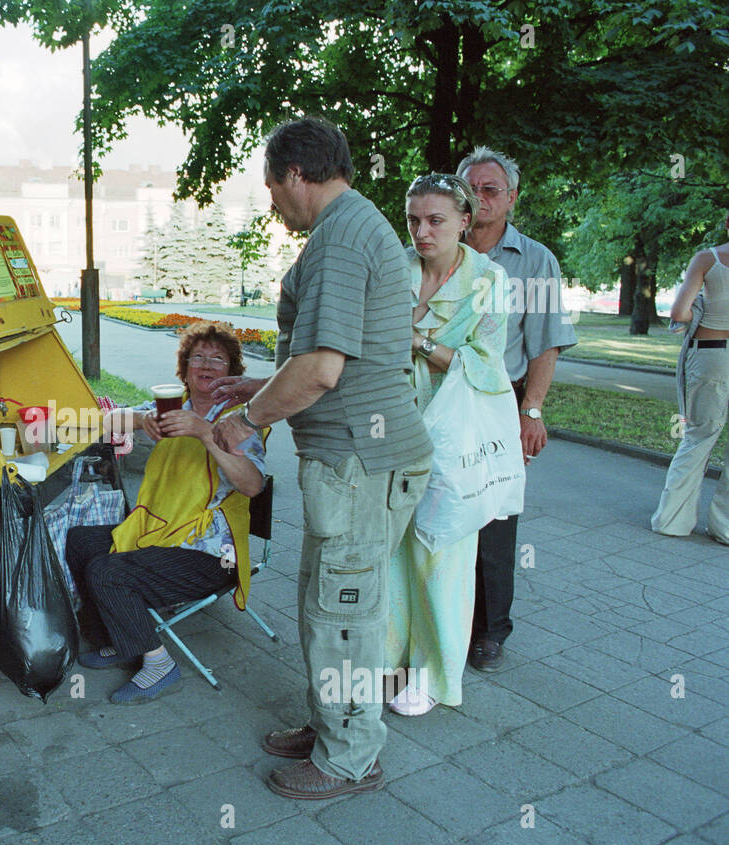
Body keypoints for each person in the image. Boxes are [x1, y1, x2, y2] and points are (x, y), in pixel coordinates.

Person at [212, 117, 432, 800]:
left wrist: (246, 421)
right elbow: (323, 363)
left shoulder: (339, 237)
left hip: (363, 464)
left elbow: (322, 369)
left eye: (272, 186)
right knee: (328, 604)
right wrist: (259, 386)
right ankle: (333, 723)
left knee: (343, 614)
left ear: (297, 176)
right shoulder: (352, 227)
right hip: (356, 462)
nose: (272, 201)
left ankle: (350, 757)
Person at [65, 322, 267, 704]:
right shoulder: (174, 407)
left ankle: (159, 663)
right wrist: (141, 421)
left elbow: (253, 485)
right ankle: (121, 639)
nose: (206, 365)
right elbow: (106, 423)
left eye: (217, 359)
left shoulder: (240, 420)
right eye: (197, 357)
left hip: (210, 554)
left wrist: (205, 433)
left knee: (107, 572)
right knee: (80, 540)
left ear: (232, 372)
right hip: (162, 533)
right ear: (185, 368)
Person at [385, 174, 511, 716]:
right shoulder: (395, 270)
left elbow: (484, 364)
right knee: (390, 549)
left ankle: (435, 677)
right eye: (414, 219)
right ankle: (389, 662)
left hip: (452, 437)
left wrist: (416, 339)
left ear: (466, 219)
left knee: (442, 554)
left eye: (435, 219)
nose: (421, 231)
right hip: (390, 429)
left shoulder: (488, 280)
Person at [457, 147, 577, 672]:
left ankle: (490, 631)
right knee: (436, 512)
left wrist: (531, 411)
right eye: (472, 189)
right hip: (435, 400)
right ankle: (443, 620)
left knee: (495, 517)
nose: (480, 198)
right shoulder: (434, 241)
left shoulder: (535, 260)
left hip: (498, 401)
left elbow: (545, 343)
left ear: (512, 198)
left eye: (491, 189)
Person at [651, 211, 729, 545]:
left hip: (711, 351)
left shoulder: (707, 259)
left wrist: (699, 306)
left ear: (726, 223)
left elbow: (679, 313)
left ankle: (673, 520)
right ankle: (725, 528)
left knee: (698, 436)